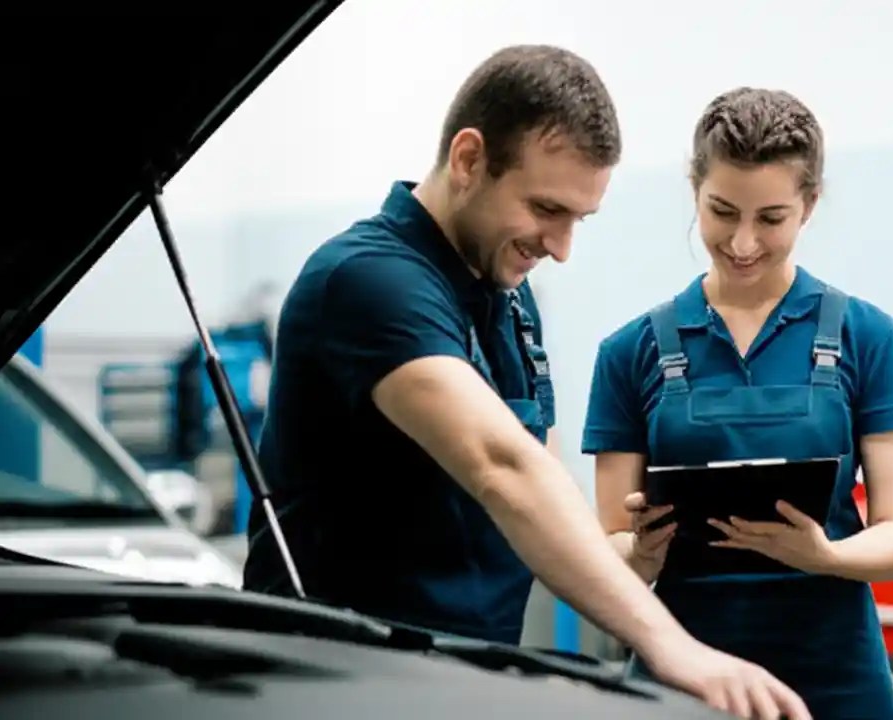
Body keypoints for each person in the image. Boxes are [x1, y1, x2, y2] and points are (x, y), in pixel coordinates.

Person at [240, 45, 810, 720]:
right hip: (333, 687)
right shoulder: (367, 280)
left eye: (578, 220)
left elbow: (541, 477)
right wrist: (672, 648)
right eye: (546, 208)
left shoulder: (507, 293)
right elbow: (502, 466)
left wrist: (633, 557)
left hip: (464, 682)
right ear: (468, 160)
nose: (561, 247)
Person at [583, 86, 893, 719]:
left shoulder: (871, 338)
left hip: (836, 677)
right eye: (722, 212)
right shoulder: (629, 352)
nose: (743, 243)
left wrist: (824, 556)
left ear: (809, 205)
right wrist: (640, 552)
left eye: (771, 219)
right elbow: (607, 553)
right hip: (683, 677)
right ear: (694, 189)